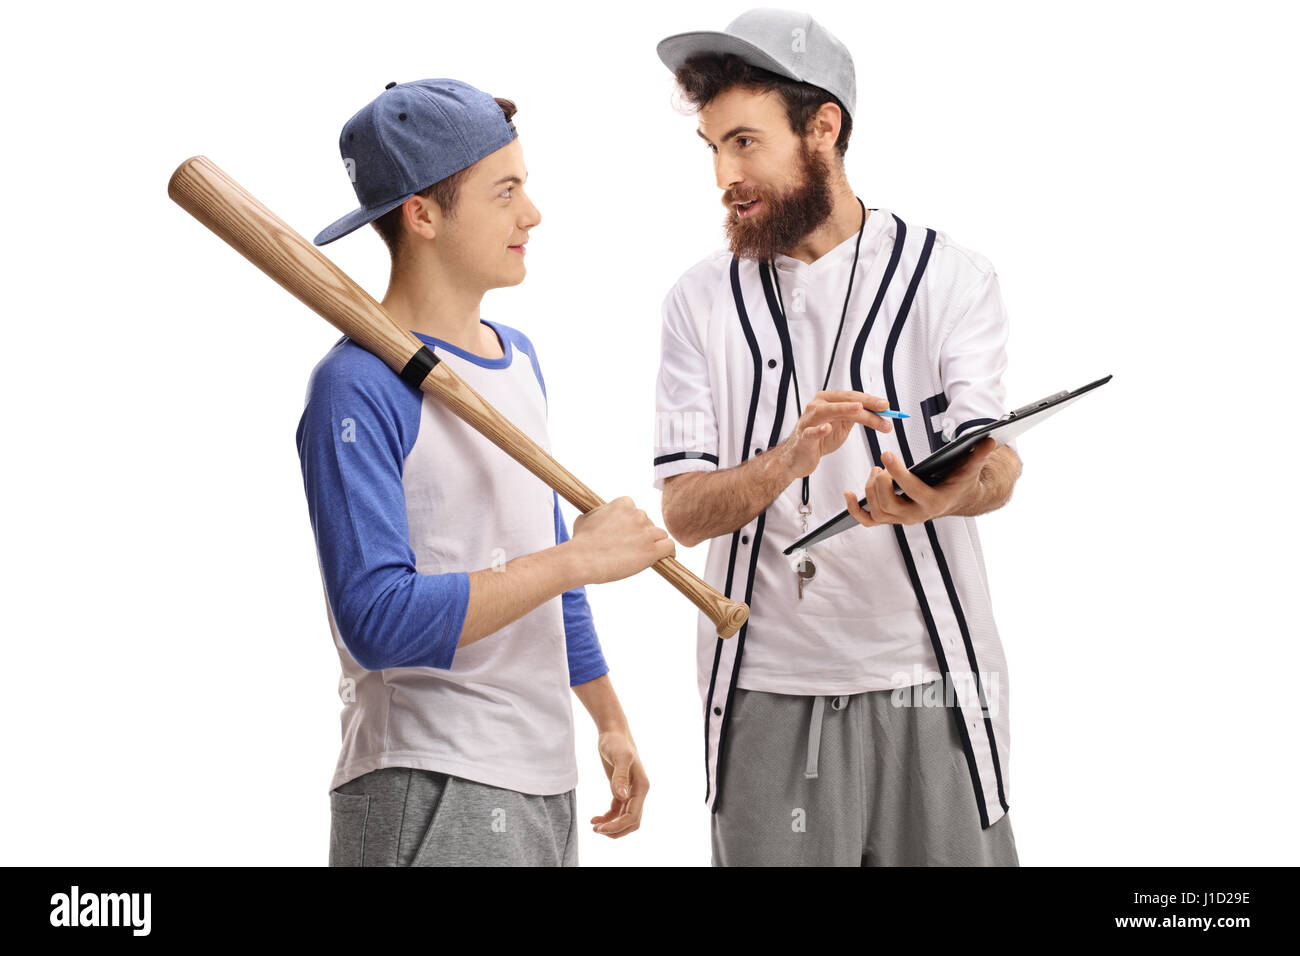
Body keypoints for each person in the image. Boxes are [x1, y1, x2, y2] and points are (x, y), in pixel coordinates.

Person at [652, 10, 1023, 866]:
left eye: (745, 142)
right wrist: (791, 458)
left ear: (825, 127)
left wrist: (945, 492)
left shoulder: (950, 275)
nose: (724, 176)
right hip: (764, 694)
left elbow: (996, 462)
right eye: (712, 148)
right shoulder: (696, 301)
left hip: (928, 687)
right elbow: (685, 513)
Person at [296, 78, 672, 866]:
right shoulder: (357, 385)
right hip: (426, 781)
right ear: (423, 214)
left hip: (542, 781)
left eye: (525, 187)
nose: (531, 214)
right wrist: (579, 556)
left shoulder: (520, 361)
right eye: (505, 193)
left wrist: (606, 717)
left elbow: (543, 569)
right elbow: (377, 621)